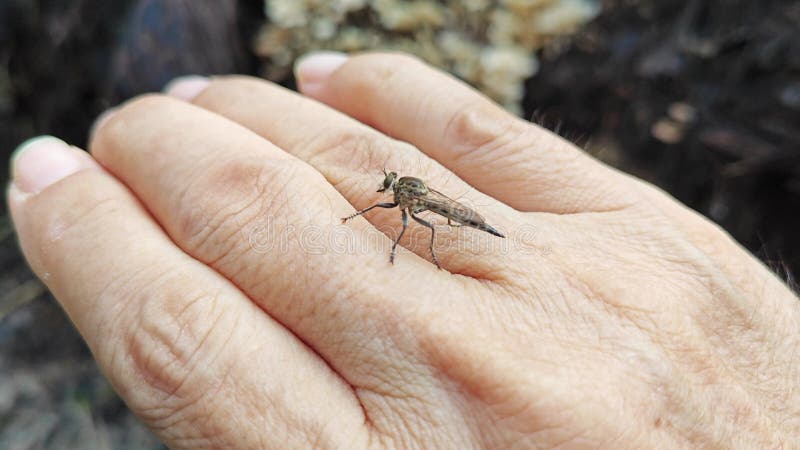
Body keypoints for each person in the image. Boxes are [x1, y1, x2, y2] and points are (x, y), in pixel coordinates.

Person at [7, 51, 799, 449]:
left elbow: (411, 214)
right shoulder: (397, 185)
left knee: (416, 231)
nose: (387, 184)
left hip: (455, 218)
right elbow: (395, 196)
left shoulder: (410, 198)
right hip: (438, 208)